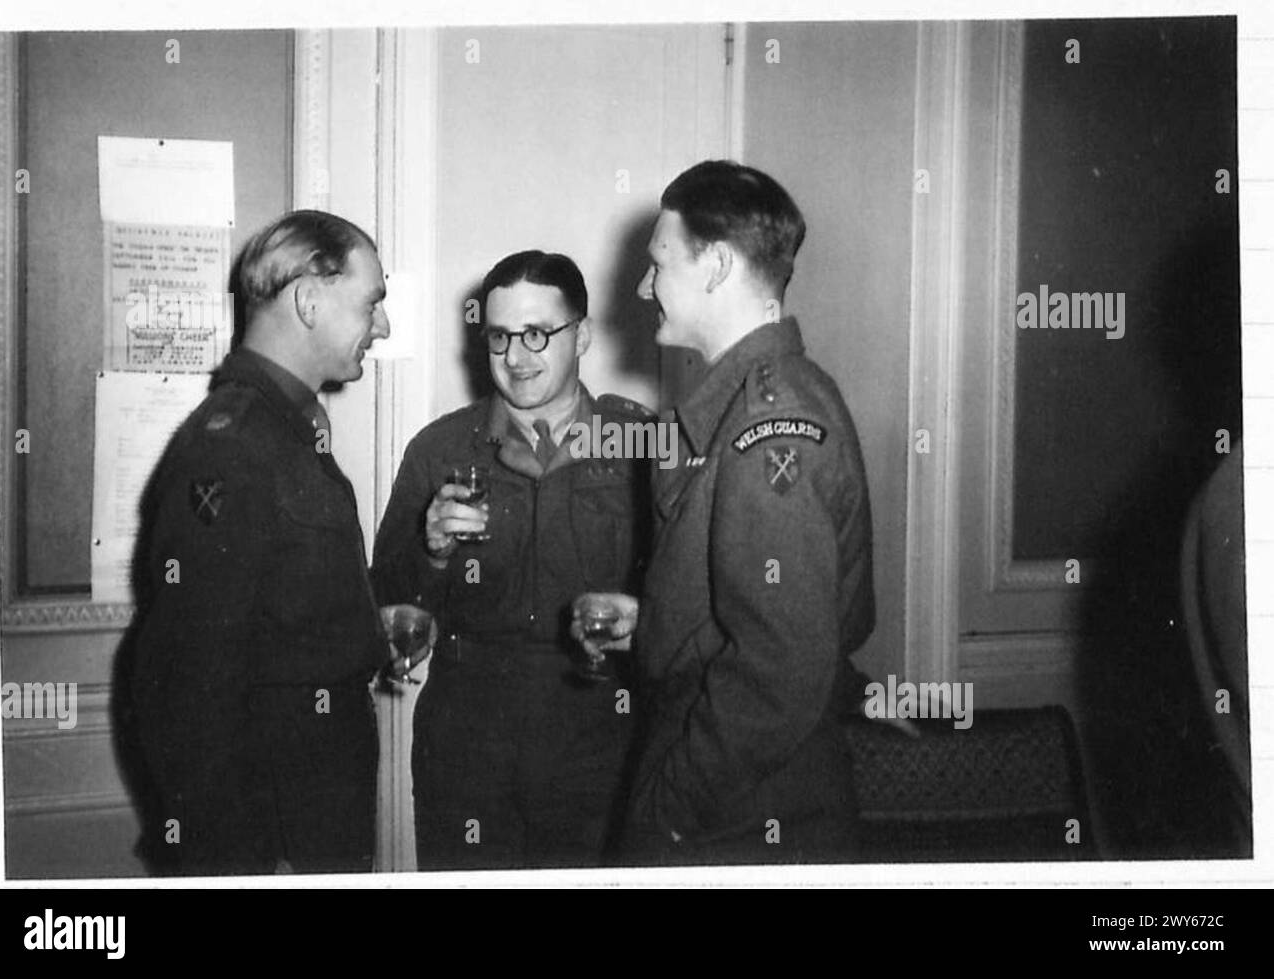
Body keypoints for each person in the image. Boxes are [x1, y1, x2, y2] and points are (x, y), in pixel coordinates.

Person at [577, 160, 876, 865]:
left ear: (713, 266)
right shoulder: (760, 400)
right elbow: (766, 607)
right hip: (749, 784)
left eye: (658, 264)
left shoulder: (770, 425)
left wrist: (671, 804)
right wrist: (662, 622)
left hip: (740, 809)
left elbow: (778, 671)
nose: (645, 286)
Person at [129, 209, 392, 875]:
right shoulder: (235, 445)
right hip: (275, 836)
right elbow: (187, 681)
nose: (381, 327)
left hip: (312, 806)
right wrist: (242, 862)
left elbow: (277, 613)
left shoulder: (281, 428)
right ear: (308, 299)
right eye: (372, 303)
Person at [371, 250, 650, 870]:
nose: (516, 358)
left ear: (582, 336)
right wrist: (432, 549)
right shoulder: (439, 448)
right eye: (499, 338)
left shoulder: (640, 445)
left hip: (601, 735)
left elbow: (682, 597)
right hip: (469, 742)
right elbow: (387, 601)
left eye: (536, 335)